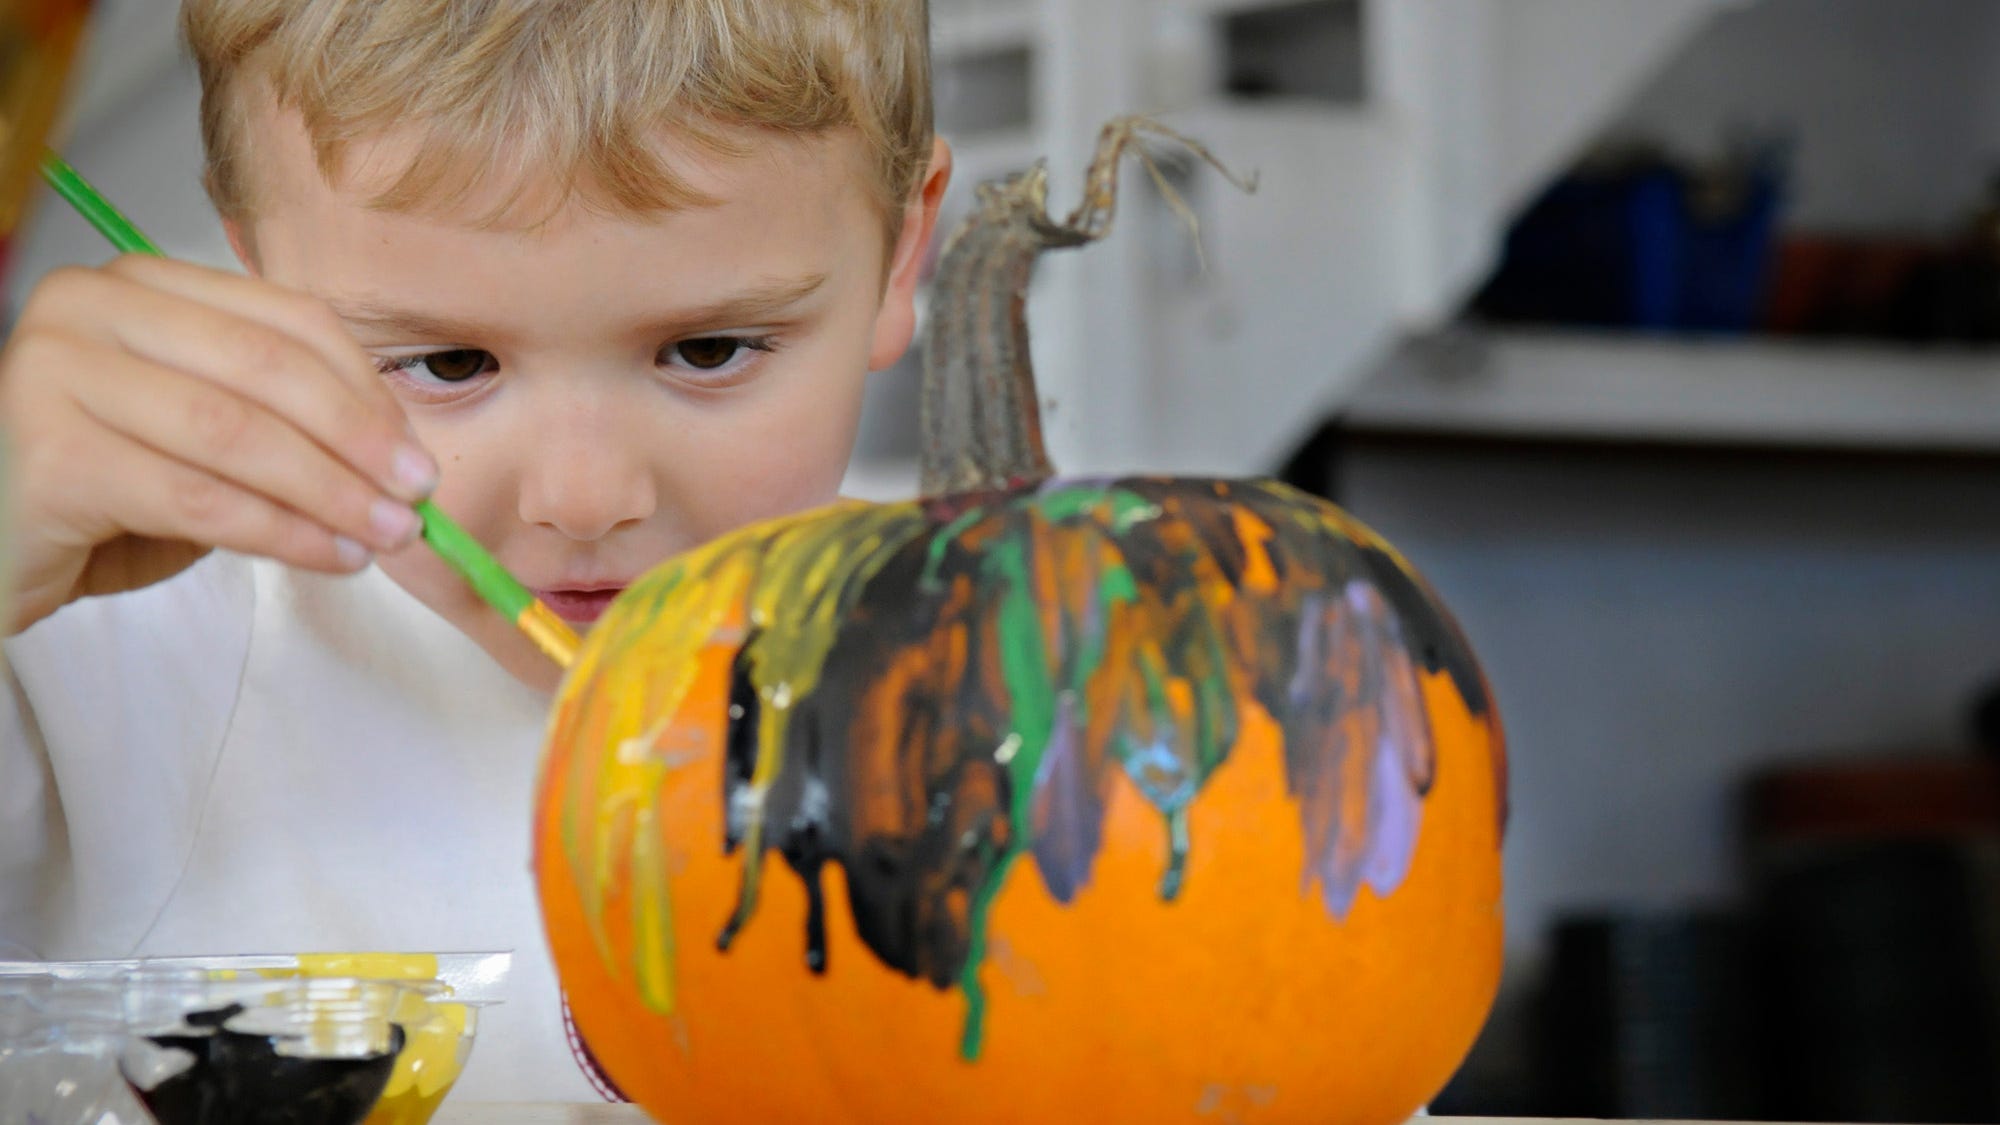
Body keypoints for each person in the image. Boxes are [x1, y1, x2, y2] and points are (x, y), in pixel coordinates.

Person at [0, 0, 949, 1101]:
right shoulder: (92, 647)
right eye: (449, 364)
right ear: (256, 276)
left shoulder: (1014, 685)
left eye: (708, 350)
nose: (583, 500)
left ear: (899, 253)